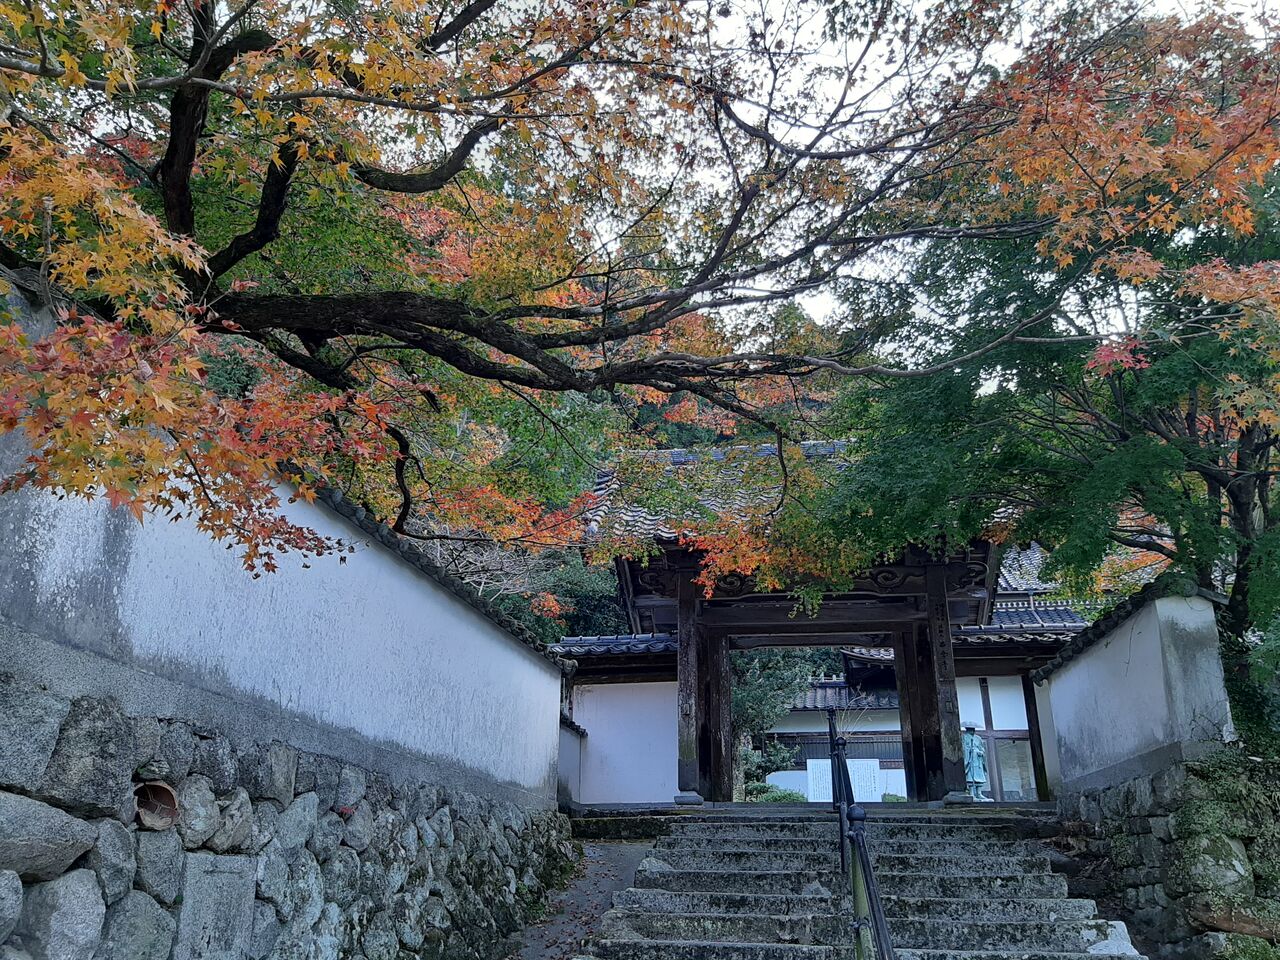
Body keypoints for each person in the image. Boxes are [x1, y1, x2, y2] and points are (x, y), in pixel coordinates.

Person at [963, 724, 991, 801]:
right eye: (970, 729)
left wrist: (981, 752)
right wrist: (968, 750)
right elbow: (963, 748)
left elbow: (982, 748)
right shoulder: (964, 737)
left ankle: (979, 793)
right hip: (970, 759)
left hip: (978, 760)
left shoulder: (978, 738)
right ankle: (971, 793)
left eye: (973, 729)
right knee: (971, 775)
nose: (972, 731)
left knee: (979, 776)